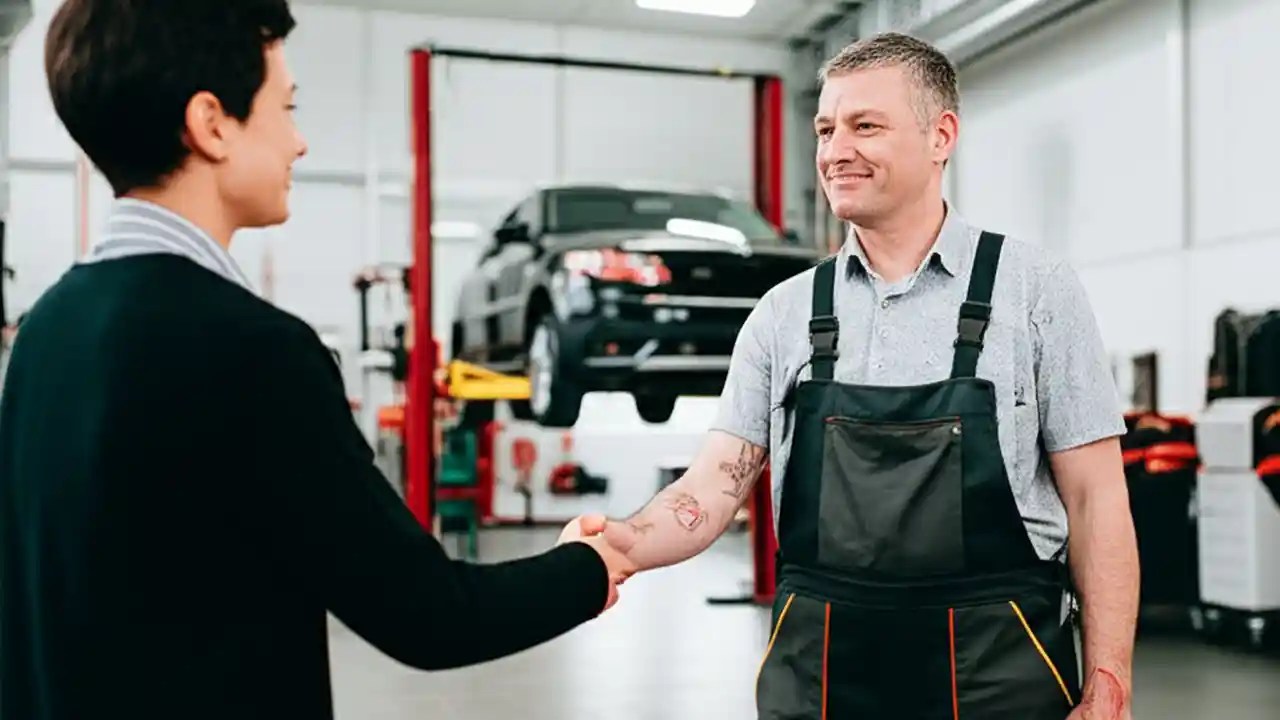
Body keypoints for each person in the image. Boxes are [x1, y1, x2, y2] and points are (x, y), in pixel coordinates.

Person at [0, 2, 629, 719]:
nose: (299, 142)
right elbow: (428, 613)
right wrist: (589, 568)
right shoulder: (255, 350)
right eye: (286, 107)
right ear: (211, 123)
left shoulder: (44, 334)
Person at [597, 32, 1139, 719]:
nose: (834, 150)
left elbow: (1097, 502)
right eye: (826, 128)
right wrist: (623, 544)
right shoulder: (784, 314)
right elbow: (713, 486)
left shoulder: (1036, 292)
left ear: (940, 135)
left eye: (865, 126)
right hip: (820, 675)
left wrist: (1109, 679)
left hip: (1001, 672)